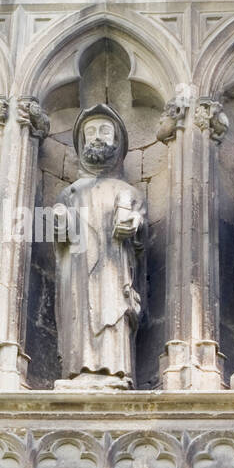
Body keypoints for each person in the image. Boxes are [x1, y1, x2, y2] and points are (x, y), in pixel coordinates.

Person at [52, 103, 146, 389]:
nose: (97, 137)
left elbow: (140, 237)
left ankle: (114, 371)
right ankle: (77, 370)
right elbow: (54, 238)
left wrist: (134, 225)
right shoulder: (67, 193)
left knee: (112, 307)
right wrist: (58, 223)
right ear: (80, 143)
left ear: (117, 142)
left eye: (105, 131)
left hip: (113, 267)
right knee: (79, 311)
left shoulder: (127, 192)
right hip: (77, 270)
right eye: (90, 131)